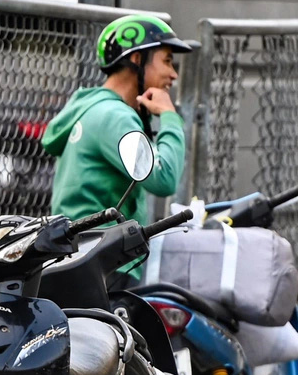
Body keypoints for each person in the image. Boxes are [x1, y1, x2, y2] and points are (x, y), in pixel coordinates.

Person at [44, 14, 194, 275]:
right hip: (103, 269)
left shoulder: (92, 109)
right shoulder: (114, 117)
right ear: (137, 59)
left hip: (84, 261)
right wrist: (169, 117)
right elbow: (163, 178)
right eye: (167, 61)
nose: (173, 74)